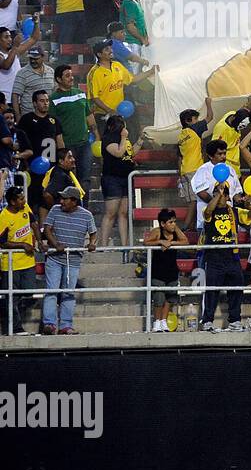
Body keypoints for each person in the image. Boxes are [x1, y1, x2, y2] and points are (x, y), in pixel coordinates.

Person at [41, 185, 96, 336]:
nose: (61, 201)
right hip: (54, 258)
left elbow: (93, 233)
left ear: (74, 201)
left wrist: (92, 243)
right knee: (51, 291)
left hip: (74, 260)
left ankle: (65, 325)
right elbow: (47, 229)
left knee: (68, 293)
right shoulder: (55, 210)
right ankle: (50, 324)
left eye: (65, 199)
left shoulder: (86, 215)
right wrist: (55, 244)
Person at [200, 180, 251, 332]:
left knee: (236, 288)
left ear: (229, 197)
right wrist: (218, 194)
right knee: (212, 291)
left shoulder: (234, 211)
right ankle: (208, 321)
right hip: (214, 258)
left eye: (224, 193)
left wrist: (248, 203)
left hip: (231, 257)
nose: (221, 195)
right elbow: (208, 212)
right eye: (217, 192)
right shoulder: (208, 210)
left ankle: (235, 321)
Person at [0, 185, 39, 335]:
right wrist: (22, 244)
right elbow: (2, 242)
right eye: (21, 198)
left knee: (29, 293)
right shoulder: (3, 217)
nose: (24, 200)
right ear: (12, 201)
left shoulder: (25, 208)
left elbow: (34, 223)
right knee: (11, 296)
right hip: (11, 264)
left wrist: (40, 242)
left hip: (28, 261)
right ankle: (15, 328)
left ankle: (10, 317)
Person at [143, 207, 185, 332]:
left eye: (174, 222)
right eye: (170, 222)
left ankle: (163, 321)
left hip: (172, 270)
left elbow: (185, 241)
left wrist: (171, 243)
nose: (173, 225)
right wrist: (160, 241)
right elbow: (146, 243)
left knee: (169, 298)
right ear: (162, 223)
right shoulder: (157, 232)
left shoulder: (175, 232)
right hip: (158, 271)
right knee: (158, 298)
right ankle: (156, 322)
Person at [98, 113, 135, 257]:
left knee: (123, 213)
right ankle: (103, 246)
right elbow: (119, 153)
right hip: (112, 178)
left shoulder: (124, 139)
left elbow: (129, 154)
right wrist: (124, 138)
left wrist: (139, 141)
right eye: (119, 125)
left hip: (126, 177)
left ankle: (125, 246)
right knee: (111, 213)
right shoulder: (108, 139)